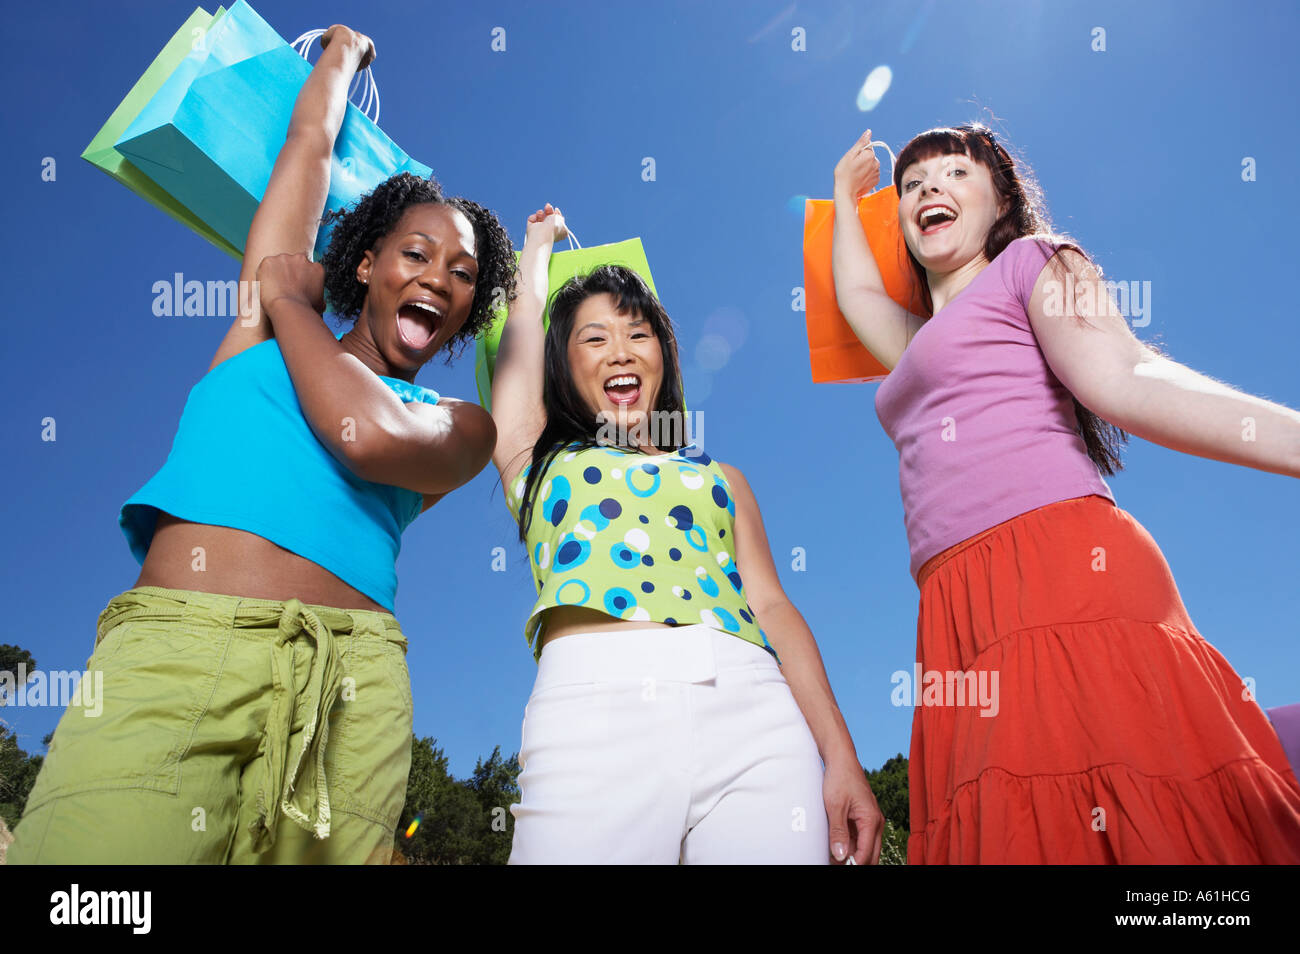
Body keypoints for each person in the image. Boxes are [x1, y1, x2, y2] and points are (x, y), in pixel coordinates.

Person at [7, 25, 515, 864]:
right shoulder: (257, 336)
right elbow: (309, 148)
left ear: (468, 307)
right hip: (177, 651)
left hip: (355, 692)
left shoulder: (458, 425)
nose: (437, 276)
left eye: (462, 273)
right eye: (416, 253)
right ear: (364, 266)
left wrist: (289, 303)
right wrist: (341, 59)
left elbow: (369, 436)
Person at [830, 122, 1300, 863]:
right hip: (953, 603)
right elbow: (854, 293)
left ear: (1001, 201)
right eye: (914, 185)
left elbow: (1127, 376)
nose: (929, 191)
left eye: (955, 174)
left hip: (1060, 566)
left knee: (1117, 803)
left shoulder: (1027, 263)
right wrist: (842, 196)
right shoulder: (916, 343)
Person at [491, 204, 882, 864]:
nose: (620, 350)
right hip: (593, 712)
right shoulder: (538, 460)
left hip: (755, 713)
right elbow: (520, 342)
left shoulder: (722, 477)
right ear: (563, 366)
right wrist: (536, 251)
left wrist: (840, 755)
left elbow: (774, 608)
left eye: (638, 334)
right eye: (593, 338)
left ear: (664, 358)